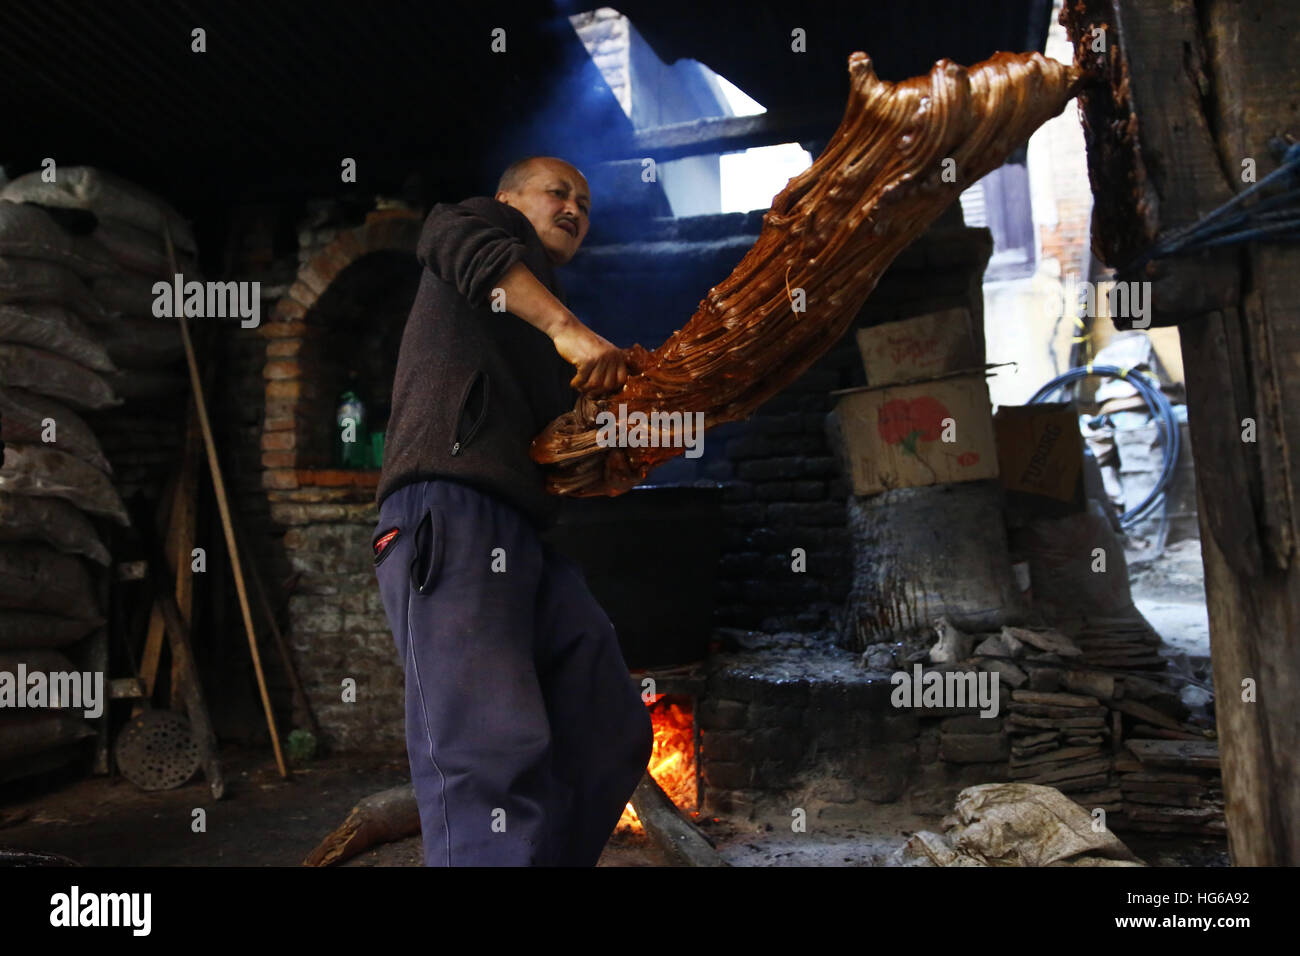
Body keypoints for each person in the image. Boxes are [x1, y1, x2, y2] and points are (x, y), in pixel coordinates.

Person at [372, 156, 653, 866]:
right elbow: (449, 239)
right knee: (485, 748)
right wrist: (569, 328)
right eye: (557, 192)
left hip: (521, 535)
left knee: (607, 727)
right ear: (507, 199)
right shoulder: (481, 228)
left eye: (585, 204)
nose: (573, 209)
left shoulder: (528, 311)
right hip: (449, 509)